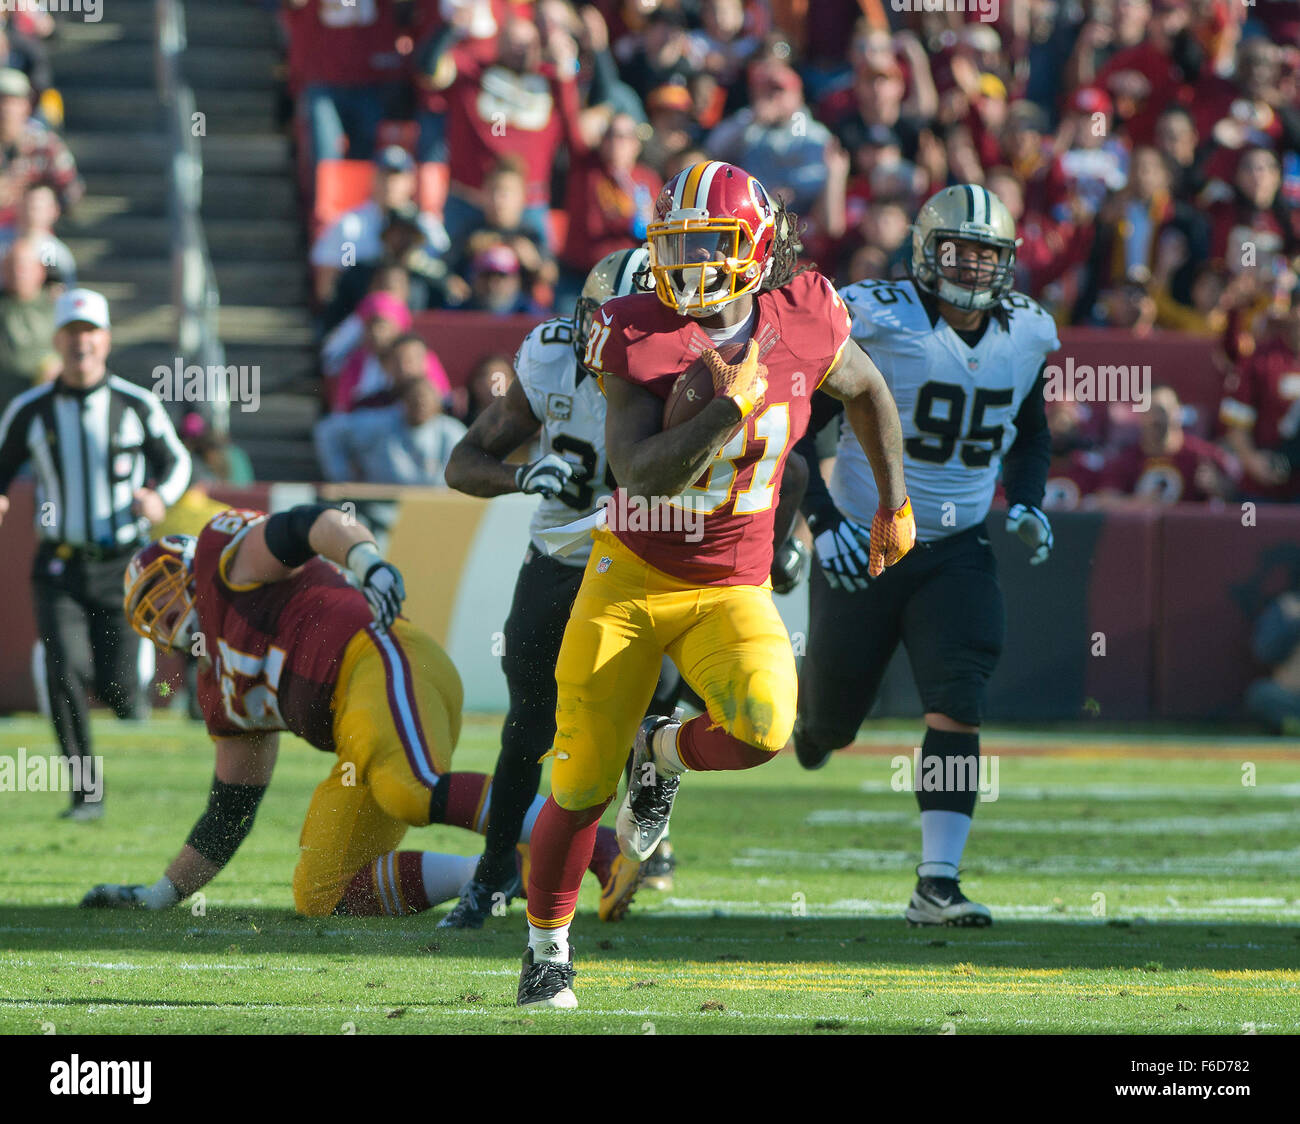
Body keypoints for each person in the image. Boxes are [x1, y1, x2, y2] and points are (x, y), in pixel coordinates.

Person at [513, 161, 913, 1008]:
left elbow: (870, 389)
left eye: (712, 241)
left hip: (732, 584)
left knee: (767, 727)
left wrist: (894, 501)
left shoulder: (805, 313)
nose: (691, 259)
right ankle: (547, 947)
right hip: (630, 578)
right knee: (580, 785)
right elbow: (637, 471)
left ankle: (660, 754)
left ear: (760, 248)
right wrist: (725, 411)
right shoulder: (634, 327)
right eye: (678, 242)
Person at [85, 504, 641, 921]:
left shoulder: (224, 559)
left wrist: (366, 560)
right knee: (322, 892)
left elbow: (309, 523)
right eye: (151, 615)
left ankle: (600, 848)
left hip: (380, 655)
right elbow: (229, 812)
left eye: (166, 595)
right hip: (357, 735)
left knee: (410, 788)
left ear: (189, 571)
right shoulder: (219, 693)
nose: (167, 616)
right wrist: (158, 896)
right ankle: (506, 874)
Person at [793, 185, 1060, 928]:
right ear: (926, 250)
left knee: (959, 700)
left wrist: (1029, 499)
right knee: (828, 729)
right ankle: (807, 724)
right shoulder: (874, 316)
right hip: (864, 539)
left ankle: (936, 883)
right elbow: (794, 430)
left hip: (957, 549)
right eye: (960, 250)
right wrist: (821, 523)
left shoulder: (1029, 333)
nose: (974, 267)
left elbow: (1031, 432)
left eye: (988, 254)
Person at [0, 288, 191, 819]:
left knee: (122, 691)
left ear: (105, 340)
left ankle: (137, 672)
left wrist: (160, 497)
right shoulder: (30, 411)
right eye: (71, 333)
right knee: (65, 669)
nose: (81, 343)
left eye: (90, 333)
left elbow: (176, 461)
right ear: (57, 340)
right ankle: (86, 795)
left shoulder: (135, 403)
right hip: (59, 562)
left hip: (123, 562)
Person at [310, 146, 450, 306]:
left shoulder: (427, 225)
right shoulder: (351, 227)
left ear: (411, 182)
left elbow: (442, 271)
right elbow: (331, 282)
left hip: (415, 311)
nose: (390, 183)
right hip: (361, 310)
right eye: (384, 176)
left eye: (397, 176)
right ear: (373, 178)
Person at [314, 364, 467, 485]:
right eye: (414, 398)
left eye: (427, 398)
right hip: (381, 510)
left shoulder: (453, 432)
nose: (420, 403)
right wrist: (343, 476)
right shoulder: (378, 423)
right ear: (402, 401)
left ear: (439, 403)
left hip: (436, 511)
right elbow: (326, 431)